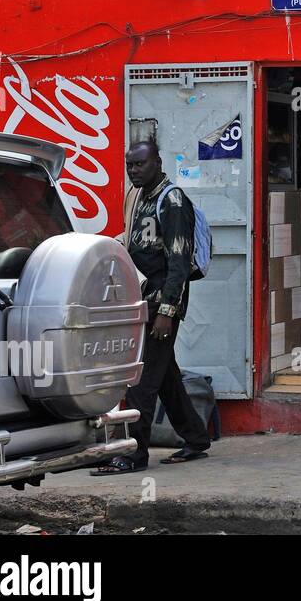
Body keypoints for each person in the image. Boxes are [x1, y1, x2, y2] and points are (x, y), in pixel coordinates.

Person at [95, 140, 211, 473]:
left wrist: (167, 312)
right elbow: (136, 243)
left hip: (162, 305)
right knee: (166, 376)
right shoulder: (136, 196)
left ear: (158, 163)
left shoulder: (172, 201)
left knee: (141, 381)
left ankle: (133, 453)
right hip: (141, 299)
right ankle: (196, 438)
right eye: (130, 164)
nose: (134, 170)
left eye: (140, 164)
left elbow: (179, 261)